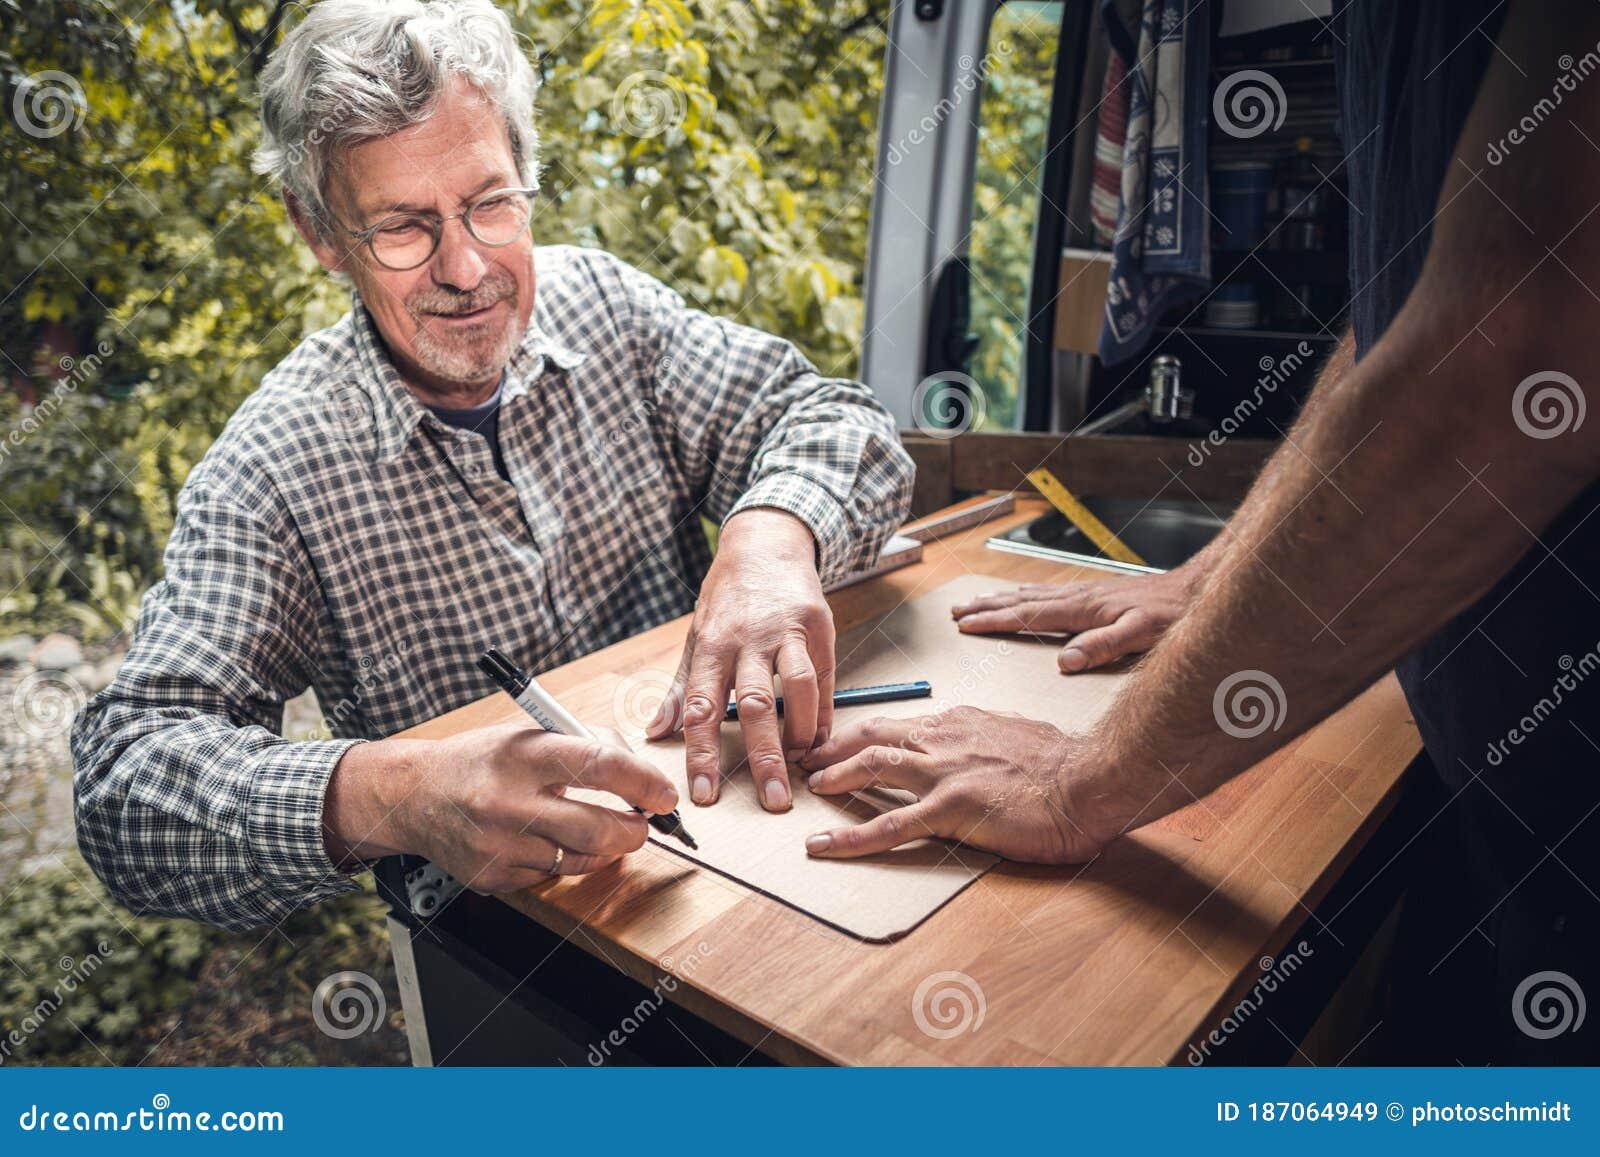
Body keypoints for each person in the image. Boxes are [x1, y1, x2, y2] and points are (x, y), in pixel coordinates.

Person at [803, 0, 1599, 1063]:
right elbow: (1399, 312)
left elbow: (1512, 346)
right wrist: (1207, 578)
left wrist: (1077, 780)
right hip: (1503, 797)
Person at [71, 0, 912, 932]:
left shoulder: (612, 311)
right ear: (317, 233)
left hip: (737, 863)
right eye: (402, 226)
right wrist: (400, 794)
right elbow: (124, 785)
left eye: (490, 204)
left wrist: (770, 541)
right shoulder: (273, 466)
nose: (467, 268)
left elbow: (834, 418)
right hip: (502, 951)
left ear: (527, 173)